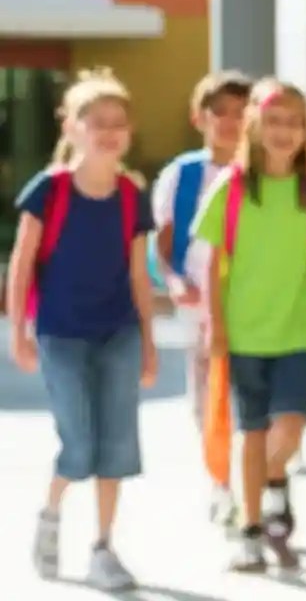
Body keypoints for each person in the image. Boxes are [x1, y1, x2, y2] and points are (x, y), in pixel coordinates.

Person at [7, 68, 158, 591]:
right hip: (61, 334)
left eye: (119, 122)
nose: (110, 132)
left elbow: (140, 274)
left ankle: (103, 548)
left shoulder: (132, 195)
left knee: (117, 444)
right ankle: (50, 517)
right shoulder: (49, 190)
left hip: (117, 331)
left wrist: (149, 345)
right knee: (79, 444)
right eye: (98, 122)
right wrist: (18, 334)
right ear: (72, 129)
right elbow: (22, 263)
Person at [193, 78, 306, 571]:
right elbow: (214, 267)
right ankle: (251, 527)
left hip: (299, 331)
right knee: (252, 432)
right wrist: (215, 327)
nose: (284, 132)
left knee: (290, 428)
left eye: (295, 123)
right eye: (275, 122)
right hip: (244, 334)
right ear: (254, 126)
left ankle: (272, 482)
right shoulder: (232, 188)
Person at [150, 70, 252, 527]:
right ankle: (221, 482)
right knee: (209, 394)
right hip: (200, 300)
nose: (230, 123)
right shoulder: (183, 174)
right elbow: (164, 239)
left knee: (253, 388)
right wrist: (173, 280)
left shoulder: (262, 172)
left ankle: (260, 469)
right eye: (220, 113)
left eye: (239, 113)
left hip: (256, 299)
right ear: (199, 118)